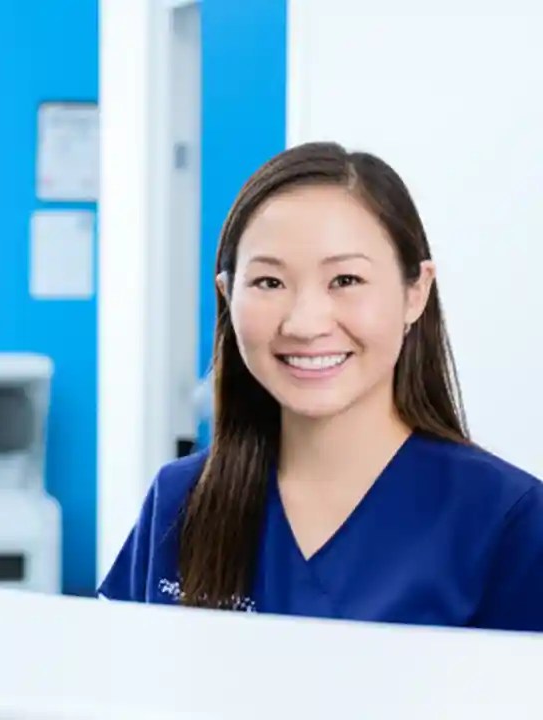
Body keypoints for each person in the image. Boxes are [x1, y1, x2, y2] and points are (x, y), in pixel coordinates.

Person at [97, 141, 543, 631]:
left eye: (345, 280)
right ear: (227, 294)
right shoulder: (181, 498)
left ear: (416, 292)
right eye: (269, 282)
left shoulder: (508, 519)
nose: (305, 323)